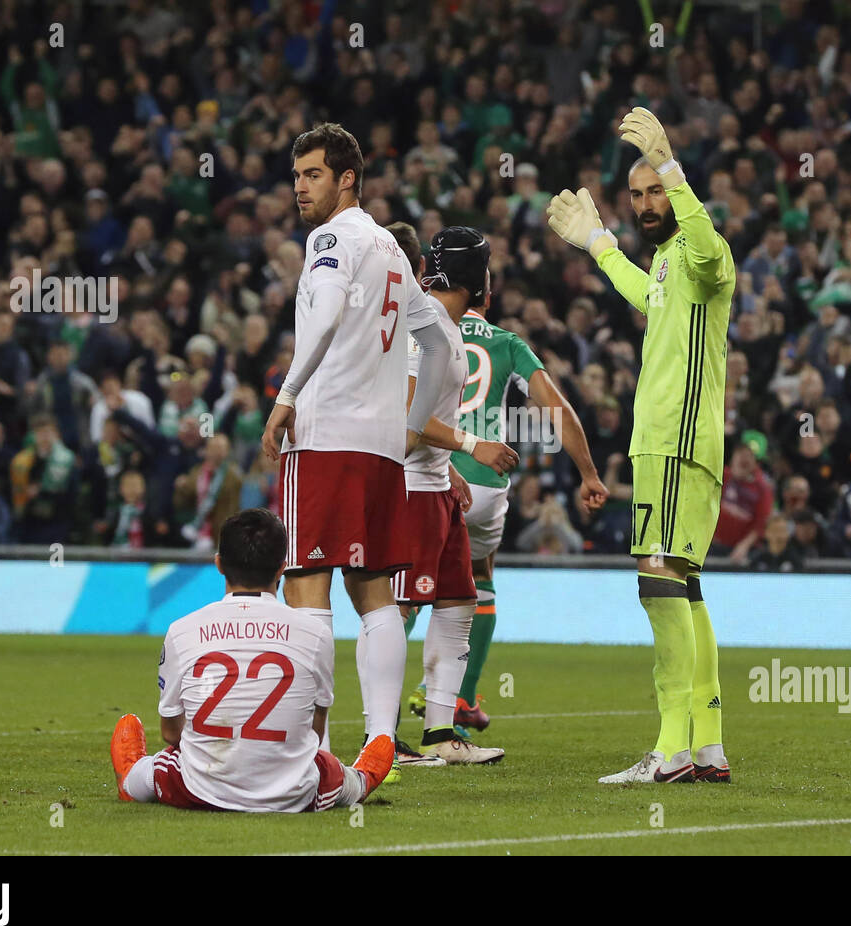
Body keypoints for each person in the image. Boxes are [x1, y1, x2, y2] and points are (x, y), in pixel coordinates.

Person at [259, 124, 515, 767]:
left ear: (347, 178)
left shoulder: (330, 239)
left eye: (312, 175)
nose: (300, 188)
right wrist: (410, 427)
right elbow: (442, 350)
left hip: (323, 439)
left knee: (307, 585)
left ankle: (311, 748)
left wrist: (287, 395)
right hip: (382, 454)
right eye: (296, 177)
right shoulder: (396, 255)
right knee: (375, 595)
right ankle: (378, 742)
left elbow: (321, 317)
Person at [548, 106, 736, 784]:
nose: (648, 202)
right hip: (673, 443)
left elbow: (711, 253)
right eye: (639, 193)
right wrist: (598, 241)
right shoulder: (663, 264)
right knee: (682, 584)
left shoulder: (701, 251)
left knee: (655, 577)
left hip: (676, 441)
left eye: (656, 189)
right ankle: (706, 741)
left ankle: (671, 747)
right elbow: (643, 295)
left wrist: (674, 164)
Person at [401, 226, 608, 739]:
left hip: (423, 468)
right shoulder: (508, 343)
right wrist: (588, 474)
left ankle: (385, 720)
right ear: (486, 294)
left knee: (406, 586)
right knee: (478, 576)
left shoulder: (418, 328)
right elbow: (557, 410)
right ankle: (460, 698)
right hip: (485, 480)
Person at [109, 508, 394, 812]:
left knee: (165, 763)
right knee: (327, 769)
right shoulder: (316, 633)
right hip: (291, 790)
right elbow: (314, 731)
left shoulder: (181, 630)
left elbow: (171, 732)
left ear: (218, 564)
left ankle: (131, 776)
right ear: (282, 568)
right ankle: (362, 778)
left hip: (202, 788)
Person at [389, 225, 505, 764]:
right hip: (409, 490)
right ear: (479, 278)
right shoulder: (430, 327)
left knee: (458, 600)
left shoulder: (444, 324)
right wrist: (470, 445)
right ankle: (381, 736)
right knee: (397, 608)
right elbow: (406, 419)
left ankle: (439, 734)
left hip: (435, 484)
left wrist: (450, 470)